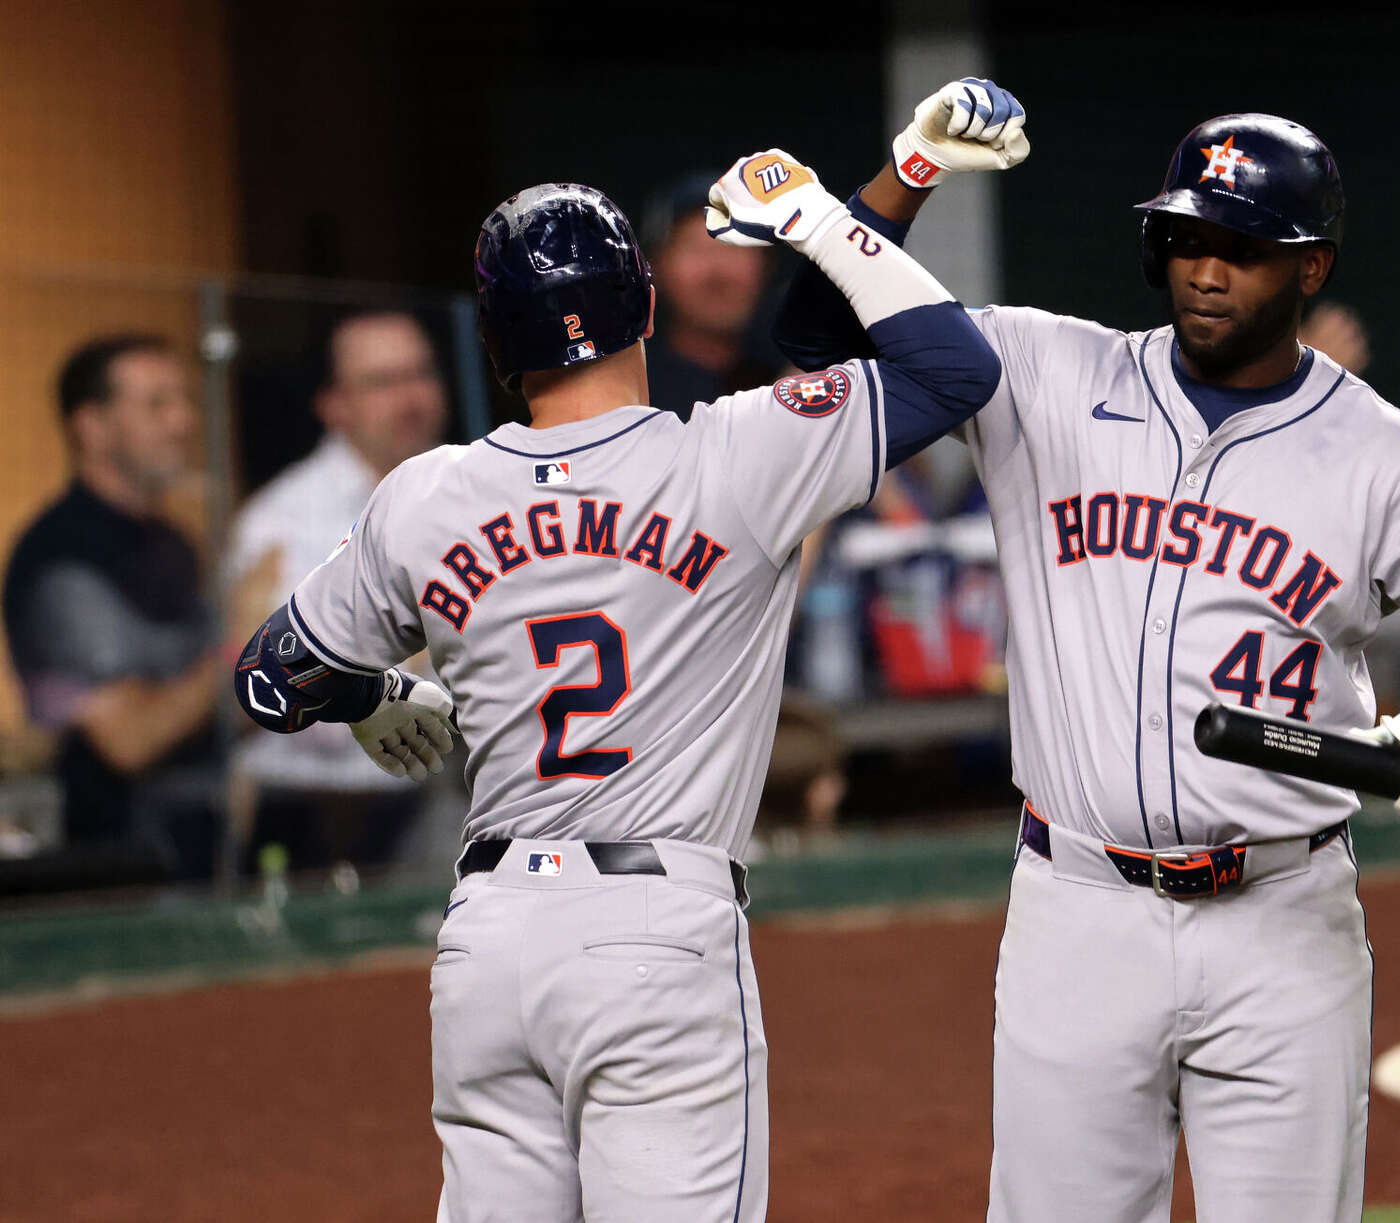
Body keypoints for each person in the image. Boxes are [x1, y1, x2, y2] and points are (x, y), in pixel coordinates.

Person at [776, 80, 1400, 1222]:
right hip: (1076, 908)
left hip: (1282, 920)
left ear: (1311, 268)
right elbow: (813, 341)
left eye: (1240, 248)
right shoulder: (1041, 372)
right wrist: (908, 171)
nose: (1206, 270)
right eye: (1186, 239)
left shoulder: (1388, 459)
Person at [232, 152, 1000, 1220]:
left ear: (498, 343)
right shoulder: (735, 453)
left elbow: (270, 678)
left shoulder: (424, 496)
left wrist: (367, 698)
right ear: (645, 303)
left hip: (486, 942)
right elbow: (954, 371)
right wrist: (829, 216)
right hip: (654, 931)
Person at [226, 311, 449, 875]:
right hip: (309, 812)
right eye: (381, 382)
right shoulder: (281, 520)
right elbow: (294, 688)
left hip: (437, 798)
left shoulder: (468, 489)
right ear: (333, 405)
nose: (411, 397)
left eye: (420, 374)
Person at [4, 335, 224, 880]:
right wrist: (240, 647)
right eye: (156, 404)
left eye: (185, 401)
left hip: (199, 856)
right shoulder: (59, 557)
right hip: (113, 870)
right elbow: (127, 741)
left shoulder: (174, 544)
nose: (183, 421)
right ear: (92, 426)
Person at [643, 172, 786, 417]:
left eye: (735, 246)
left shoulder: (797, 382)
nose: (718, 271)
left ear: (766, 264)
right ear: (655, 267)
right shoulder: (631, 398)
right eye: (695, 249)